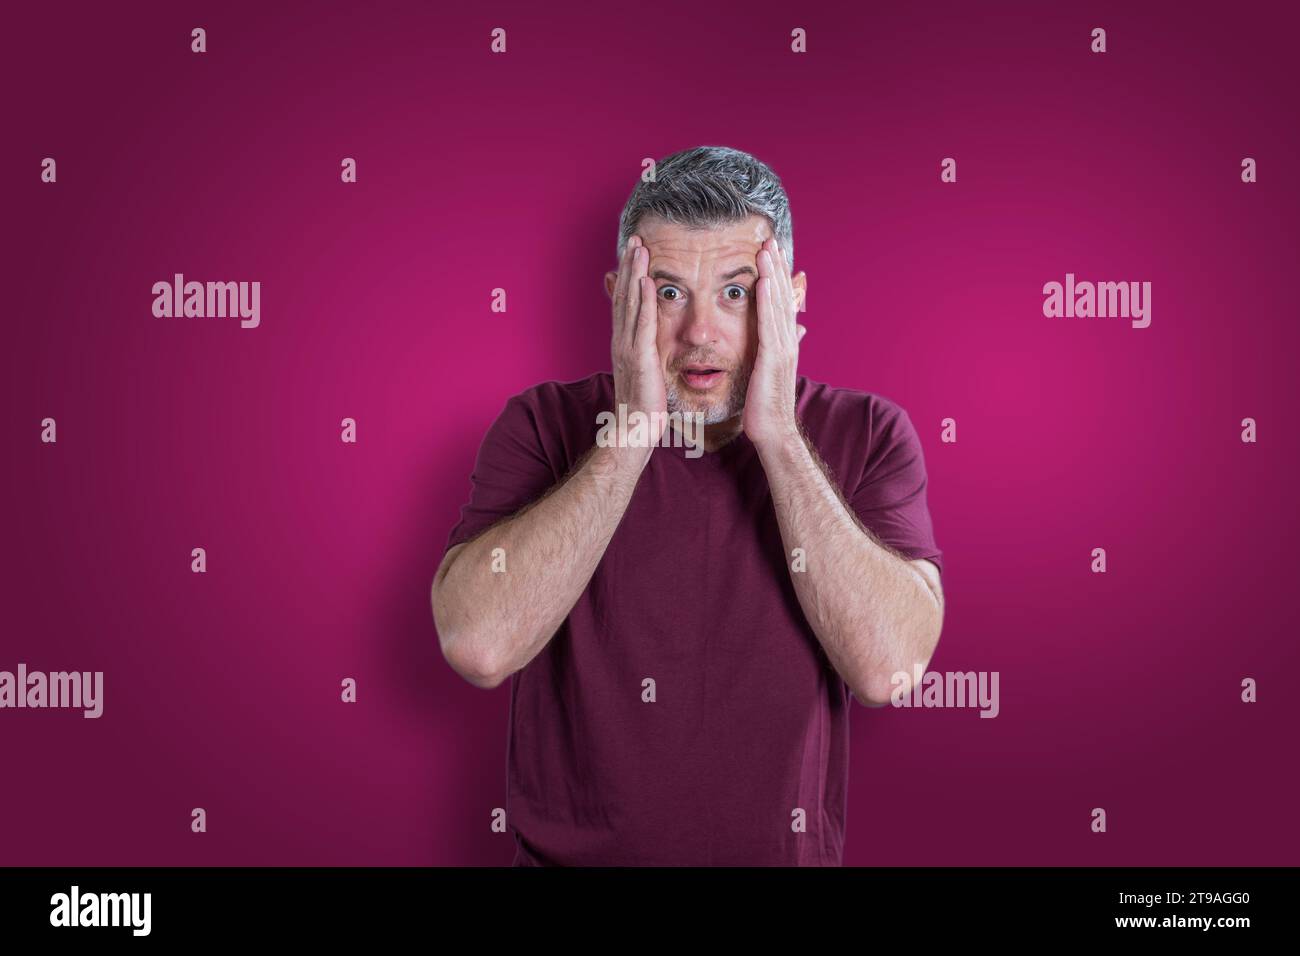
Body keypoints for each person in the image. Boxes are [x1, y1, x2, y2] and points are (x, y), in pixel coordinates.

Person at [431, 145, 945, 865]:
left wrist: (779, 436)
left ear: (791, 297)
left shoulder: (867, 435)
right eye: (669, 292)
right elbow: (478, 645)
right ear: (621, 298)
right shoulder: (542, 426)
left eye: (736, 292)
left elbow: (888, 667)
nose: (701, 331)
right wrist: (633, 432)